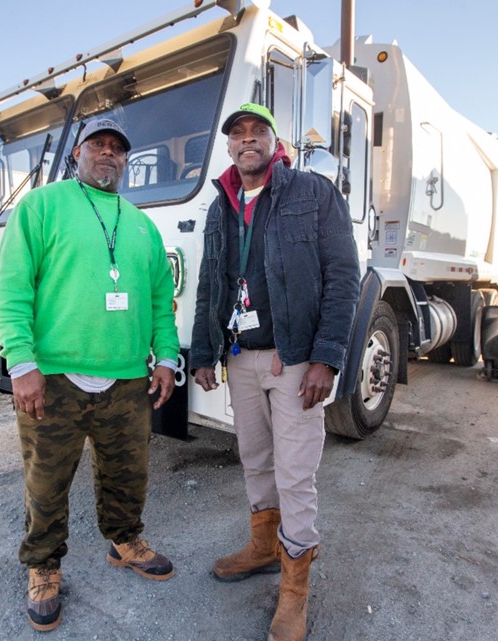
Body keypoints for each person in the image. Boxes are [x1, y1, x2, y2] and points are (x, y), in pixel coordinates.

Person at [0, 117, 181, 632]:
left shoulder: (141, 225)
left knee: (128, 470)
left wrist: (166, 358)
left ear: (126, 161)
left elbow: (162, 302)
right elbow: (12, 289)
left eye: (117, 148)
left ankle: (125, 540)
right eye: (97, 145)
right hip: (53, 377)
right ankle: (43, 566)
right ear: (78, 153)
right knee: (47, 480)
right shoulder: (42, 206)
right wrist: (22, 363)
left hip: (125, 377)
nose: (107, 154)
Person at [190, 103, 360, 641]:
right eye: (237, 134)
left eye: (256, 131)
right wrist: (202, 351)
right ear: (229, 147)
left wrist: (326, 358)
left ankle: (294, 594)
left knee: (294, 471)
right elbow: (209, 284)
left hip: (294, 359)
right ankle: (263, 547)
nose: (247, 140)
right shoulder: (222, 205)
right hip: (240, 357)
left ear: (274, 140)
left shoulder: (312, 193)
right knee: (256, 461)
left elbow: (343, 277)